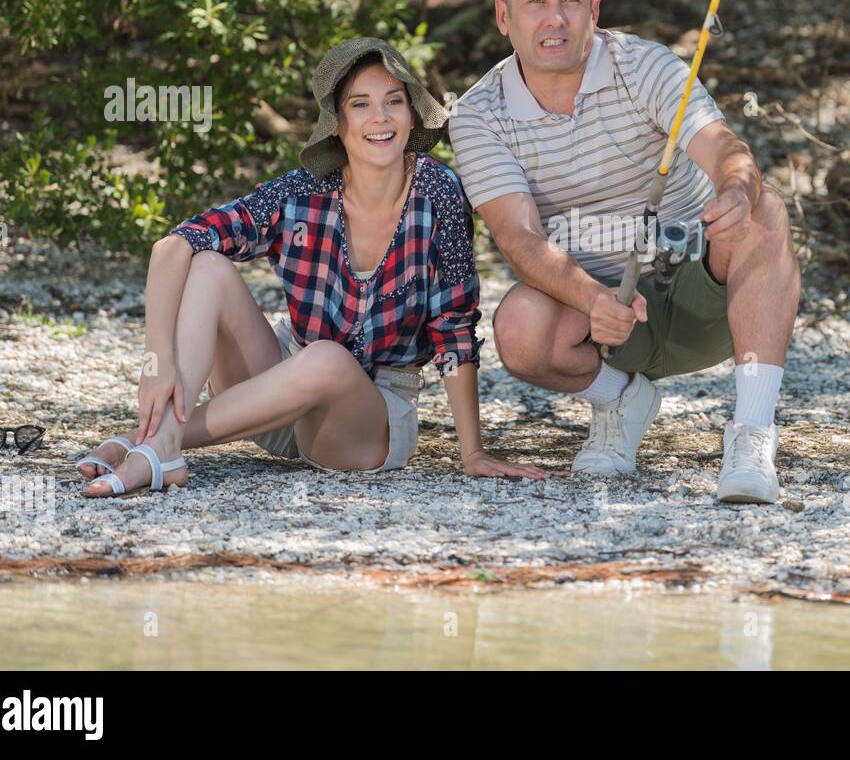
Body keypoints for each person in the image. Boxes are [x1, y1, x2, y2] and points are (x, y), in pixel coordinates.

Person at [77, 37, 547, 497]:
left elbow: (453, 325)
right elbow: (174, 245)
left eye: (394, 101)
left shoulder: (439, 192)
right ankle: (160, 446)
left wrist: (473, 453)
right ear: (337, 124)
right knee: (207, 265)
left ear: (411, 112)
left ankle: (152, 444)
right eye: (360, 104)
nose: (380, 117)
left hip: (362, 424)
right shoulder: (303, 192)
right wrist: (156, 362)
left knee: (326, 359)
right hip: (278, 393)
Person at [448, 0, 799, 505]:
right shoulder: (477, 114)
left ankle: (752, 438)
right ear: (503, 17)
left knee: (765, 209)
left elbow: (725, 148)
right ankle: (623, 400)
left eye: (570, 0)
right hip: (599, 319)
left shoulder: (645, 65)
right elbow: (518, 238)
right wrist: (593, 300)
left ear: (594, 11)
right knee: (518, 328)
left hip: (702, 295)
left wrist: (737, 187)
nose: (555, 18)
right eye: (535, 1)